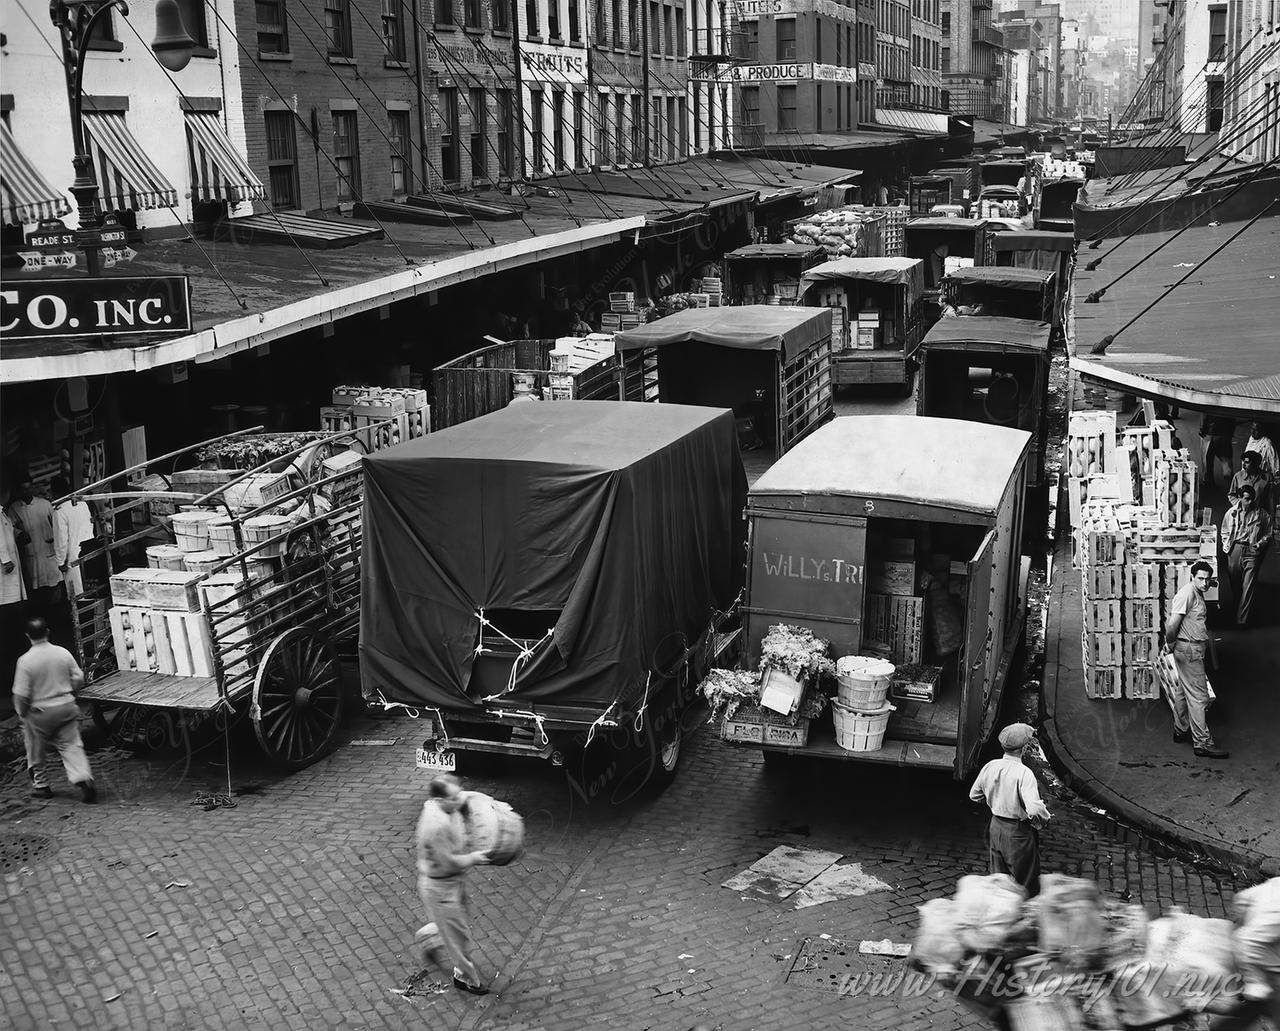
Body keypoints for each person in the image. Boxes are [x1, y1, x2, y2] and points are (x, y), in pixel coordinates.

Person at [415, 774, 492, 995]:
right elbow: (449, 863)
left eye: (458, 794)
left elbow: (468, 797)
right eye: (453, 798)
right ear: (440, 801)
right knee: (459, 938)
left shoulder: (449, 801)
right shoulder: (435, 826)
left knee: (457, 925)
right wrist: (475, 858)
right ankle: (467, 979)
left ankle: (430, 937)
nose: (459, 800)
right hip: (439, 887)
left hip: (452, 882)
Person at [12, 616, 95, 802]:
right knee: (71, 745)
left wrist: (22, 713)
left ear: (28, 636)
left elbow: (21, 695)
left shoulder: (25, 661)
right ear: (47, 632)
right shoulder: (62, 653)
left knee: (35, 749)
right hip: (65, 706)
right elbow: (79, 678)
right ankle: (83, 778)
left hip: (39, 712)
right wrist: (70, 693)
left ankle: (41, 786)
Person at [969, 723, 1052, 897]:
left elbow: (974, 795)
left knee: (1000, 882)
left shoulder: (990, 766)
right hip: (1018, 833)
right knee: (1026, 884)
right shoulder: (1024, 773)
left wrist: (995, 801)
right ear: (1024, 748)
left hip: (996, 826)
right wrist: (1044, 820)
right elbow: (1035, 809)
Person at [1163, 561, 1228, 759]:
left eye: (1208, 579)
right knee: (1199, 697)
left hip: (1190, 648)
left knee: (1183, 691)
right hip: (1189, 649)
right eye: (1200, 578)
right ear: (1192, 577)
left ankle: (1181, 730)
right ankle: (1202, 743)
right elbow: (1172, 625)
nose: (1205, 583)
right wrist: (1170, 644)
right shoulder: (1187, 594)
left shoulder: (1197, 592)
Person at [7, 482, 62, 618]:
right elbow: (8, 527)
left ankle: (56, 619)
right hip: (31, 553)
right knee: (36, 590)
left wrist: (54, 536)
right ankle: (42, 619)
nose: (26, 491)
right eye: (23, 489)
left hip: (48, 550)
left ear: (33, 488)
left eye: (28, 487)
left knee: (54, 586)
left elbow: (57, 524)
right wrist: (19, 533)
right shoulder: (14, 508)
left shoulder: (45, 504)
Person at [1220, 483, 1272, 627]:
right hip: (1235, 549)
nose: (1250, 502)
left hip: (1252, 551)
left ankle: (1241, 621)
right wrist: (1227, 547)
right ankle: (1237, 608)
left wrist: (1260, 543)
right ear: (1240, 498)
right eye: (1247, 499)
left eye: (1251, 499)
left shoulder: (1261, 514)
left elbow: (1268, 532)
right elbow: (1224, 530)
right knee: (1235, 584)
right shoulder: (1231, 513)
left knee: (1248, 586)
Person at [1, 498, 28, 694]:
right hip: (5, 587)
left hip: (10, 589)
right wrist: (5, 560)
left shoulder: (3, 513)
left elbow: (8, 531)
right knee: (9, 633)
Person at [52, 477, 95, 599]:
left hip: (72, 557)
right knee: (91, 588)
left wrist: (61, 562)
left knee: (77, 594)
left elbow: (61, 540)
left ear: (54, 493)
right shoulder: (82, 505)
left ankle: (82, 616)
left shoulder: (59, 512)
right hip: (89, 550)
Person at [1199, 415, 1235, 487]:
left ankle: (1208, 480)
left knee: (1207, 458)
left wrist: (1202, 430)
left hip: (1211, 433)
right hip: (1226, 433)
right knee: (1226, 457)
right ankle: (1230, 478)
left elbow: (1205, 418)